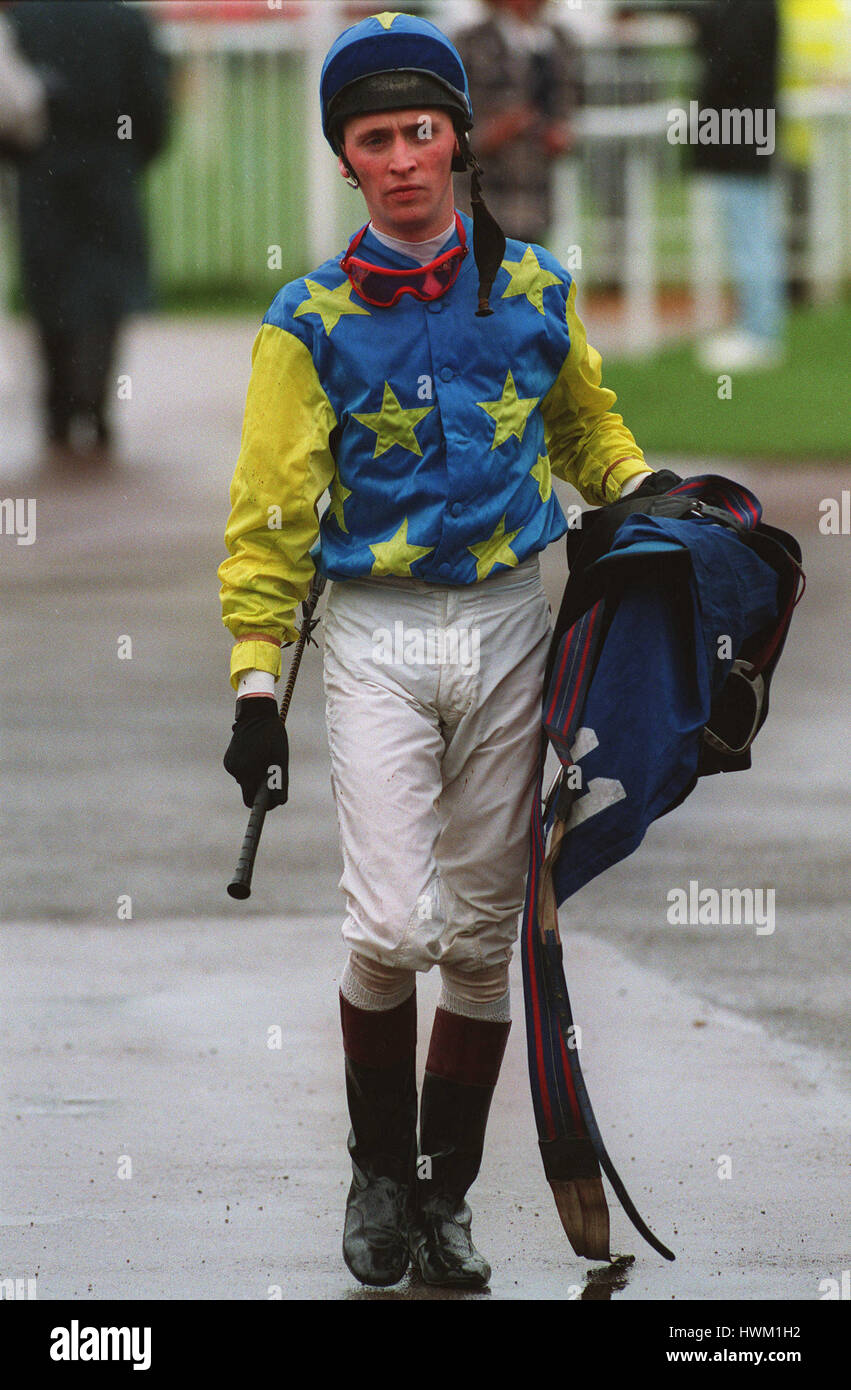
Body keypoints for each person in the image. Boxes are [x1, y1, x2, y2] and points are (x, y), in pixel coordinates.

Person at [219, 9, 652, 1291]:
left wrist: (645, 494)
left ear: (458, 139)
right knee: (388, 923)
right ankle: (374, 1169)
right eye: (373, 139)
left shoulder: (531, 291)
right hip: (374, 636)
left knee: (475, 937)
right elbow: (270, 520)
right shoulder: (306, 323)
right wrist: (256, 687)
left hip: (517, 623)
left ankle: (442, 1200)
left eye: (421, 130)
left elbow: (588, 431)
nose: (402, 157)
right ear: (345, 160)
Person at [6, 1, 169, 469]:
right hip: (109, 171)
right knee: (105, 291)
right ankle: (95, 408)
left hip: (41, 173)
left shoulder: (25, 21)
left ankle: (57, 410)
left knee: (49, 289)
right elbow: (152, 108)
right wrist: (131, 159)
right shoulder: (127, 22)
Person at [452, 0, 582, 245]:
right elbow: (455, 126)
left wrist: (560, 135)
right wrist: (494, 132)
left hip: (536, 198)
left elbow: (569, 111)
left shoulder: (560, 42)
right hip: (482, 195)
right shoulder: (469, 42)